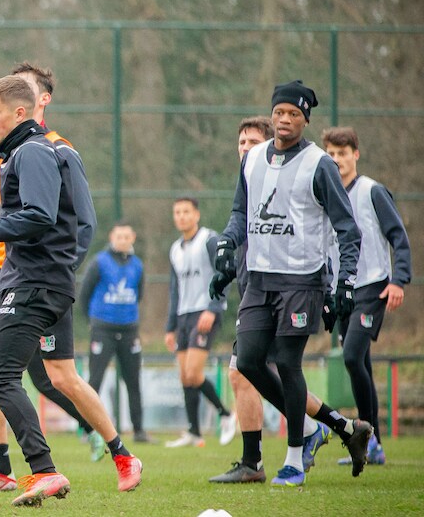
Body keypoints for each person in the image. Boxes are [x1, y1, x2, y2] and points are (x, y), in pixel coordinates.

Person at [0, 63, 141, 489]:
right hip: (11, 283)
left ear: (32, 105)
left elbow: (53, 220)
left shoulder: (46, 151)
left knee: (37, 376)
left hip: (38, 283)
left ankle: (84, 461)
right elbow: (0, 209)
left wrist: (56, 273)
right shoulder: (9, 150)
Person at [216, 80, 363, 487]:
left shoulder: (320, 164)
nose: (284, 120)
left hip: (302, 280)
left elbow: (348, 230)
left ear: (304, 119)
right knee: (246, 362)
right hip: (259, 281)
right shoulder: (253, 160)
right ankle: (320, 429)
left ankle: (295, 459)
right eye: (279, 112)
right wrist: (228, 245)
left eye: (293, 114)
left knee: (286, 362)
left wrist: (345, 282)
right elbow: (239, 212)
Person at [322, 126, 411, 467]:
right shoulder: (325, 198)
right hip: (343, 293)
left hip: (372, 288)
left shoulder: (372, 191)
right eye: (331, 154)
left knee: (350, 356)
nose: (337, 160)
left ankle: (366, 436)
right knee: (361, 362)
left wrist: (399, 280)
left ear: (355, 155)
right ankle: (374, 445)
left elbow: (398, 238)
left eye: (343, 153)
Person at [164, 197, 235, 448]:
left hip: (203, 312)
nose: (181, 216)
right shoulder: (175, 249)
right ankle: (194, 431)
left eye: (186, 211)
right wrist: (170, 326)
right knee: (185, 376)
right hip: (183, 315)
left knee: (193, 373)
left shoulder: (209, 239)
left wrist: (213, 307)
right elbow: (175, 289)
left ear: (196, 214)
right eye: (177, 212)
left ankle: (226, 414)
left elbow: (225, 271)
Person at [79, 220, 148, 443]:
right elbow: (84, 295)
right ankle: (88, 430)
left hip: (129, 331)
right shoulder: (99, 262)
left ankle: (139, 431)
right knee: (94, 381)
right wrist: (93, 321)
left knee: (133, 381)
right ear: (112, 237)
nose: (123, 241)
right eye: (119, 237)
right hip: (102, 330)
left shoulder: (137, 265)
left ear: (133, 238)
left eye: (127, 237)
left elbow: (139, 294)